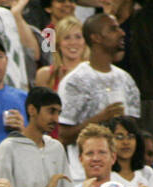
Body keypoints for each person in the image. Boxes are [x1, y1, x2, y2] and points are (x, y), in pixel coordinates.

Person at [56, 12, 139, 147]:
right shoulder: (75, 81)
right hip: (84, 165)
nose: (122, 33)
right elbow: (63, 136)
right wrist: (100, 119)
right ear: (96, 38)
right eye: (113, 29)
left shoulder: (126, 79)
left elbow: (134, 129)